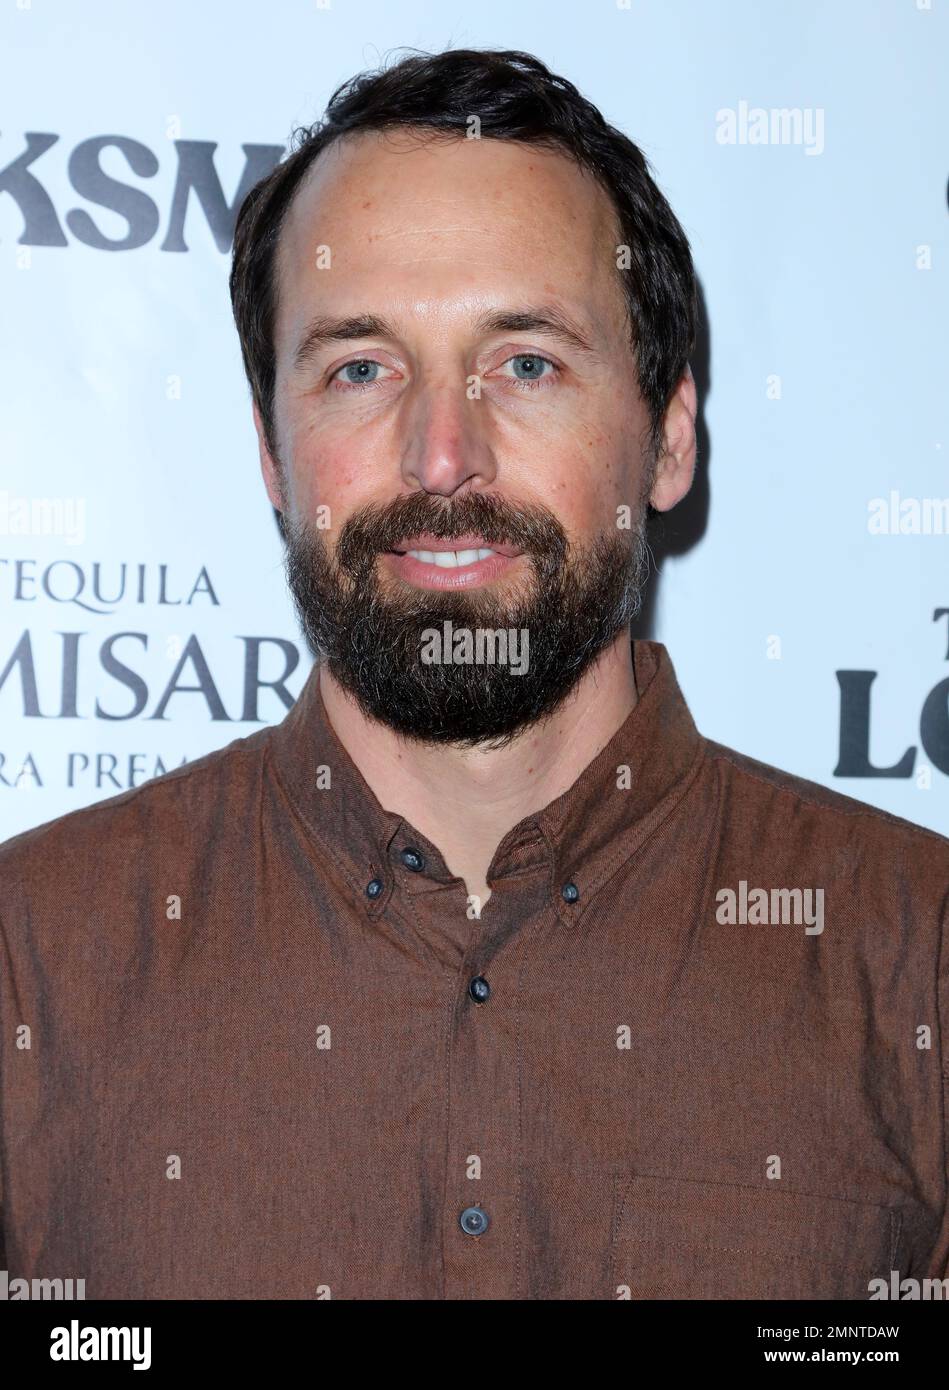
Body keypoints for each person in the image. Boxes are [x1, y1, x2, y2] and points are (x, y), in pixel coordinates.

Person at [1, 48, 946, 1301]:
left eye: (527, 363)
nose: (442, 456)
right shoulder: (32, 956)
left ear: (668, 437)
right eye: (360, 368)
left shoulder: (913, 949)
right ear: (274, 459)